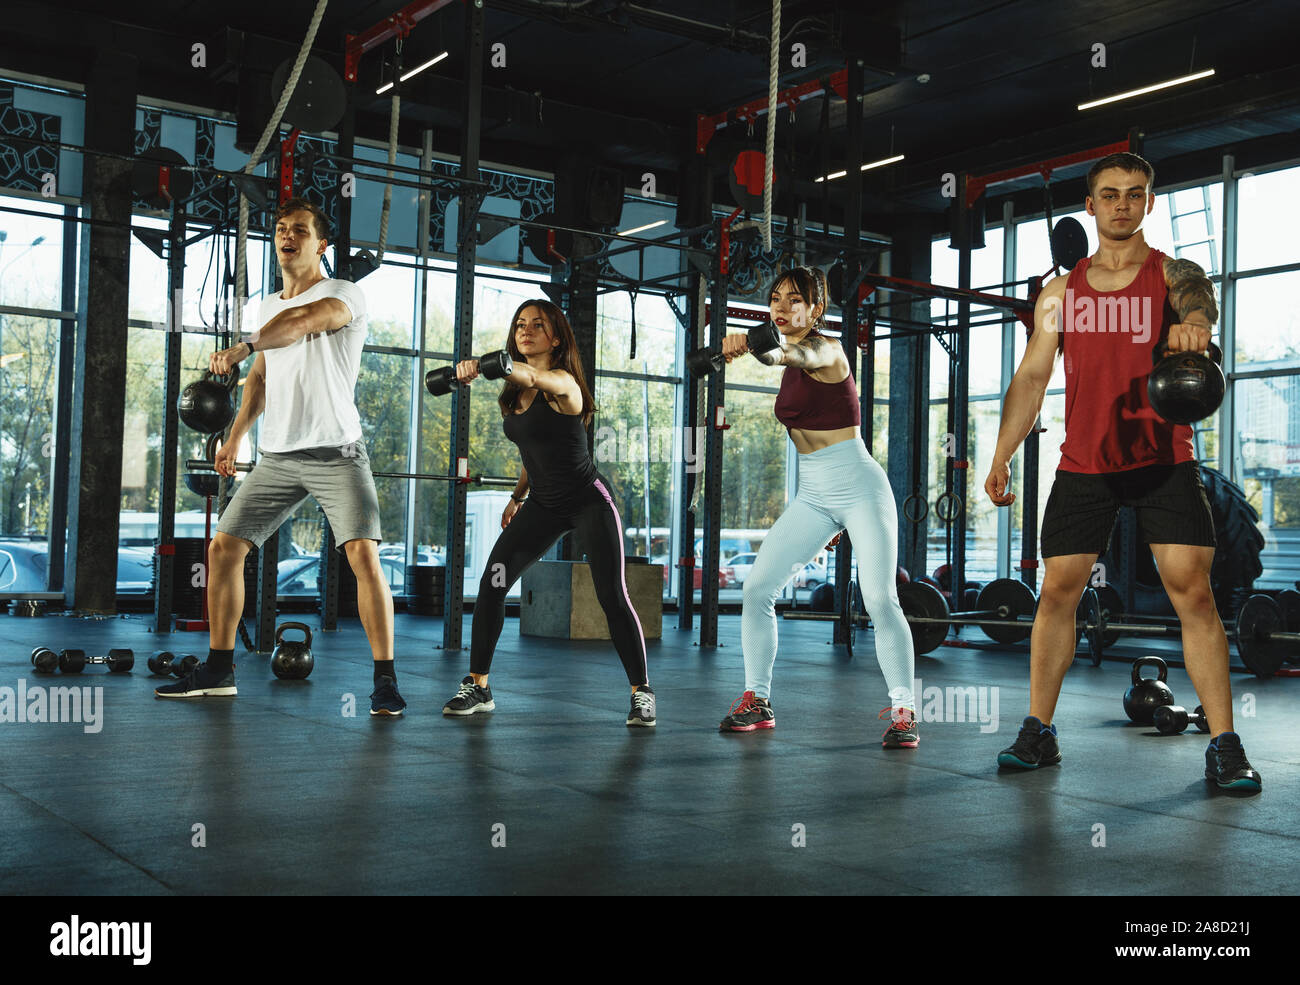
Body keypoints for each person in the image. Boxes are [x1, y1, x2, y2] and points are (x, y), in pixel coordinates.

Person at [984, 152, 1260, 791]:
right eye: (1109, 195)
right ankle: (1039, 732)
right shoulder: (1061, 294)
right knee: (1057, 593)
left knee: (1194, 594)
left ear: (1149, 202)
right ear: (1091, 205)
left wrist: (1193, 327)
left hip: (1164, 458)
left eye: (1135, 194)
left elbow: (1199, 300)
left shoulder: (1173, 274)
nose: (1122, 205)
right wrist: (1000, 453)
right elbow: (1031, 377)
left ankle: (1225, 744)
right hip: (1086, 461)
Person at [156, 198, 405, 717]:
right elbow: (262, 380)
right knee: (224, 548)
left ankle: (385, 681)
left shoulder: (343, 293)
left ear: (322, 245)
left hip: (337, 452)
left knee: (363, 556)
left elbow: (306, 321)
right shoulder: (267, 306)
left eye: (300, 230)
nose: (287, 236)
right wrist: (235, 436)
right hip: (279, 456)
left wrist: (245, 344)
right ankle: (219, 671)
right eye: (280, 229)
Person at [716, 266, 918, 746]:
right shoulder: (792, 355)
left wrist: (751, 344)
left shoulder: (826, 351)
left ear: (816, 309)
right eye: (776, 299)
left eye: (796, 300)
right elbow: (782, 354)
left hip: (859, 486)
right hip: (814, 493)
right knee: (757, 588)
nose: (783, 307)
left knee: (880, 598)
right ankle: (758, 700)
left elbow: (790, 352)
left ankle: (906, 711)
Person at [440, 299, 655, 727]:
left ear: (555, 338)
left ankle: (641, 692)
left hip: (588, 501)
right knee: (494, 581)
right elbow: (532, 452)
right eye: (520, 324)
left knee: (611, 594)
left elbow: (535, 374)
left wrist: (485, 366)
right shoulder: (516, 395)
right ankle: (479, 685)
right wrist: (518, 498)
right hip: (543, 505)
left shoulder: (563, 382)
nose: (526, 331)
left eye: (537, 325)